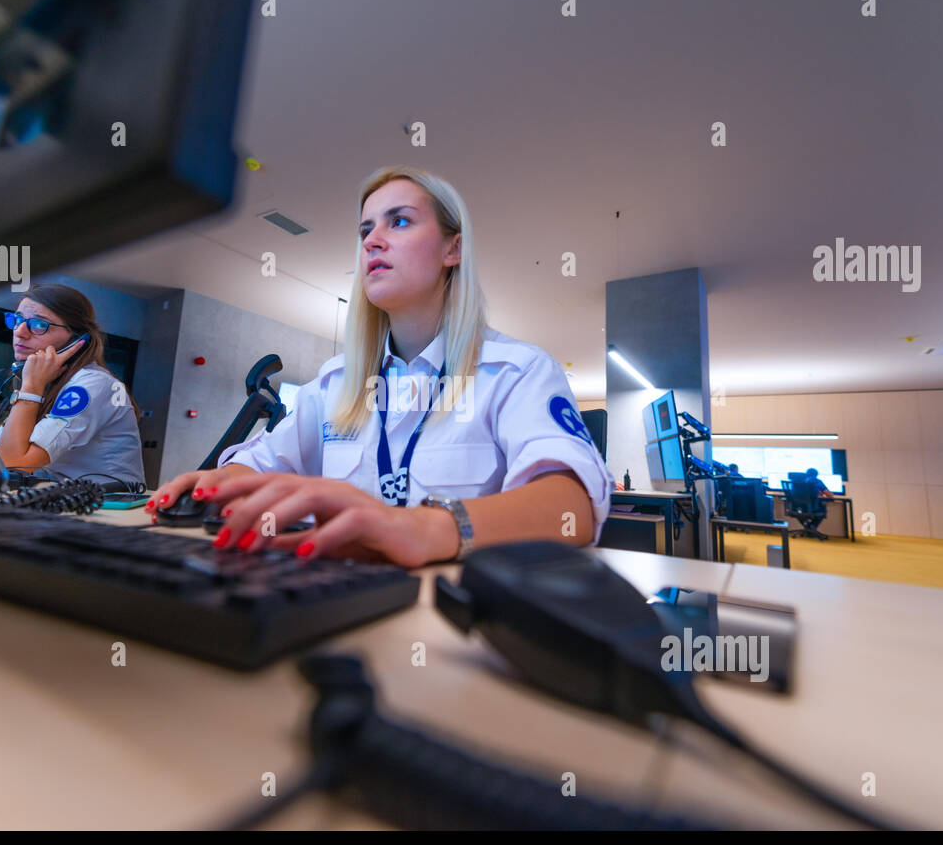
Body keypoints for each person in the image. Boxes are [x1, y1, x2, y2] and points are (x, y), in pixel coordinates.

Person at [149, 165, 613, 566]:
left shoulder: (516, 372)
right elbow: (264, 461)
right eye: (365, 229)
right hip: (335, 596)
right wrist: (218, 487)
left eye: (400, 221)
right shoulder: (336, 384)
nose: (373, 240)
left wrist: (425, 528)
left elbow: (570, 506)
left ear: (453, 250)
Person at [0, 283, 145, 488]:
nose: (20, 332)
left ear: (77, 339)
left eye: (38, 324)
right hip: (57, 497)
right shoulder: (45, 380)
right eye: (17, 320)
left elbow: (13, 465)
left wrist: (31, 388)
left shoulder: (94, 385)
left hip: (107, 506)